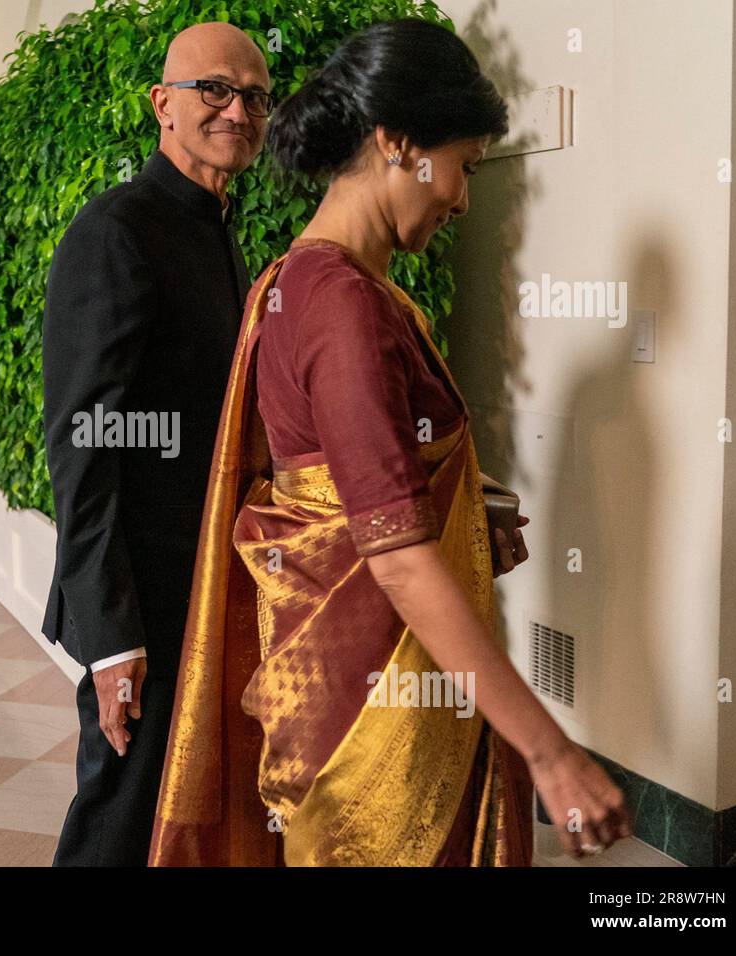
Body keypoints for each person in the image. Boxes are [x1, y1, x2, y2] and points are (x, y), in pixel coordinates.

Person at [149, 17, 631, 866]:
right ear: (399, 142)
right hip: (376, 724)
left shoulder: (302, 280)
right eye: (464, 167)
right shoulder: (345, 305)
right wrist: (552, 753)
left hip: (348, 683)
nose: (462, 198)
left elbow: (332, 489)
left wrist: (458, 513)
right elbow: (396, 558)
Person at [41, 22, 271, 865]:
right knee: (121, 817)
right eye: (215, 88)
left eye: (254, 95)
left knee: (177, 822)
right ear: (162, 104)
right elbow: (83, 442)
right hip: (142, 601)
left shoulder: (214, 228)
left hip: (202, 583)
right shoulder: (118, 232)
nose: (237, 110)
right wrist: (112, 637)